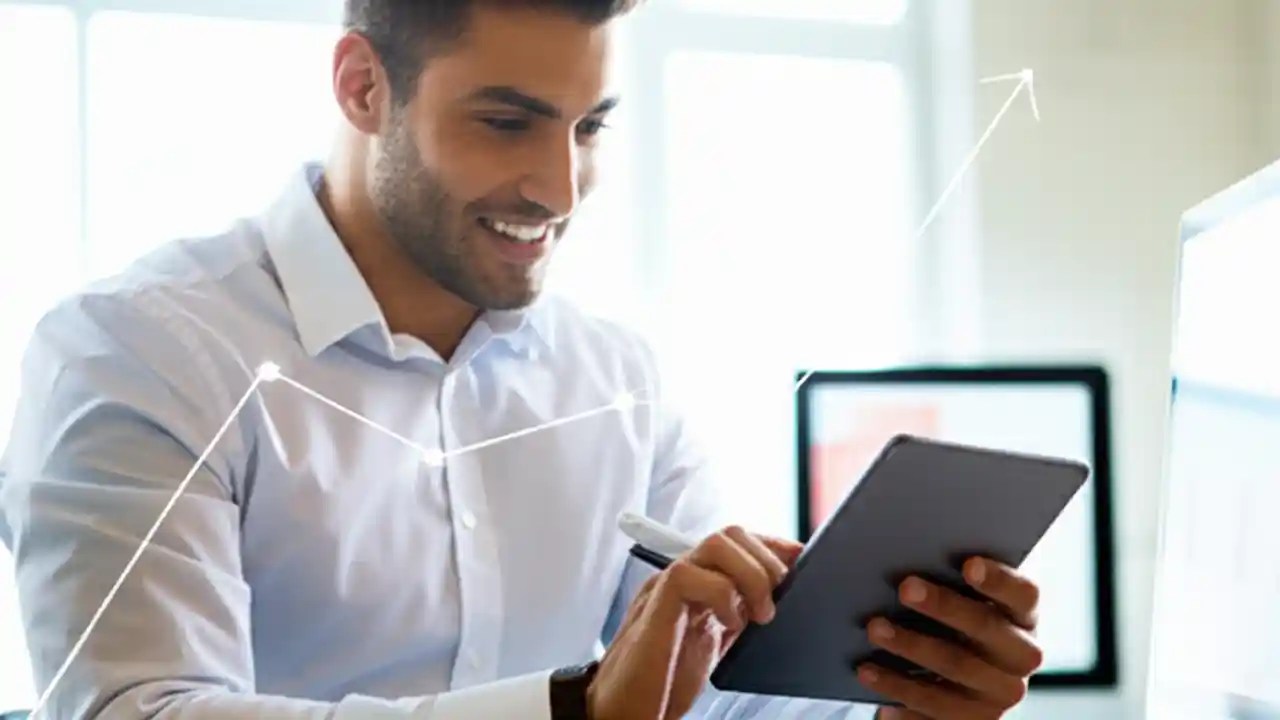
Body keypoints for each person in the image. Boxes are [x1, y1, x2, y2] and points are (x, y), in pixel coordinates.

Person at [0, 1, 1045, 718]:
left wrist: (897, 697)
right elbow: (136, 708)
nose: (558, 187)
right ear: (362, 87)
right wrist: (570, 711)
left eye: (588, 128)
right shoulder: (138, 350)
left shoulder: (619, 384)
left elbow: (713, 697)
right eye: (506, 122)